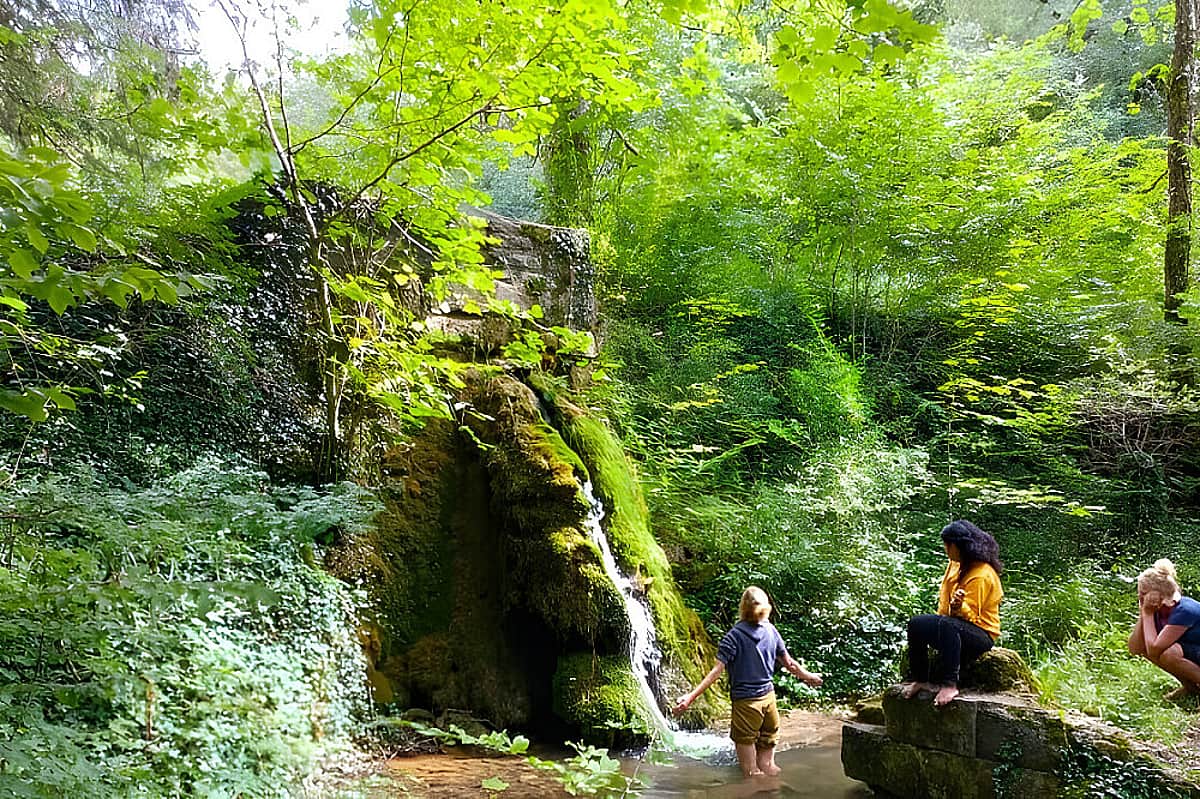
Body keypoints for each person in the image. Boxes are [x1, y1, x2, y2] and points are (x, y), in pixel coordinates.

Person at [672, 586, 823, 778]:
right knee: (769, 766)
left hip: (746, 705)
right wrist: (809, 676)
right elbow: (791, 664)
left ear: (742, 607)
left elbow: (716, 672)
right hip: (769, 702)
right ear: (766, 607)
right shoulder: (771, 631)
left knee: (751, 772)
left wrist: (690, 698)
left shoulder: (733, 637)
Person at [900, 520, 1003, 707]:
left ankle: (950, 684)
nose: (945, 549)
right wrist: (951, 609)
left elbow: (971, 617)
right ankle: (920, 679)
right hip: (952, 624)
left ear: (956, 546)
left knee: (947, 624)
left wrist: (958, 607)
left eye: (947, 545)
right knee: (916, 624)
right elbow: (945, 607)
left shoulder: (982, 574)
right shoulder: (955, 564)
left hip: (981, 634)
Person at [1127, 558, 1200, 700]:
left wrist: (1147, 614)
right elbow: (1136, 649)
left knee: (1169, 653)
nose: (1140, 597)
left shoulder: (1184, 610)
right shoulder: (1158, 609)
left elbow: (1155, 649)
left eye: (1143, 593)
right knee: (1151, 650)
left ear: (1157, 594)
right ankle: (1191, 688)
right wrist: (1144, 613)